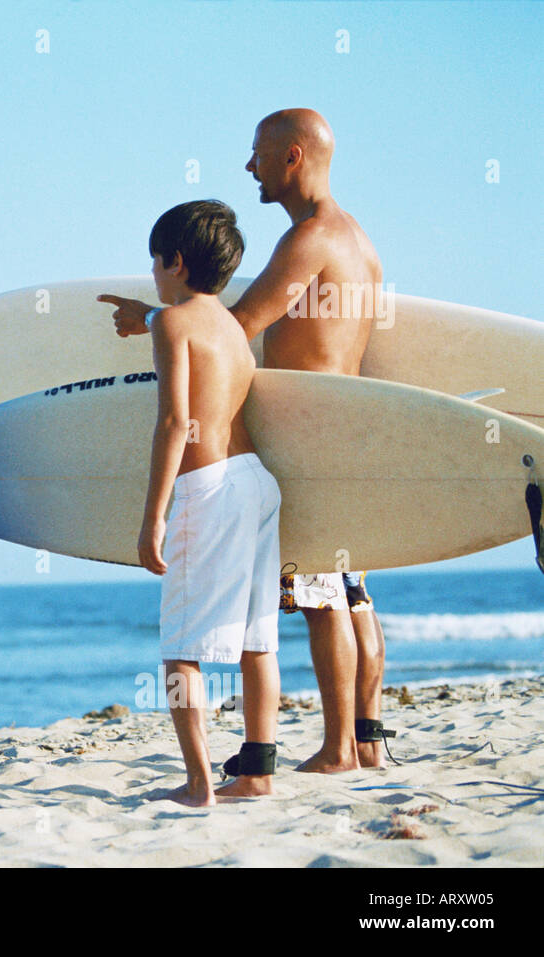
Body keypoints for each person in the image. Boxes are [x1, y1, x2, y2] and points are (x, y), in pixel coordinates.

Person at [105, 109, 392, 773]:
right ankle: (365, 737)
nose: (249, 167)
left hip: (309, 435)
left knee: (322, 600)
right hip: (346, 426)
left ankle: (339, 748)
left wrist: (155, 318)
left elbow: (232, 328)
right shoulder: (360, 242)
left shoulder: (311, 240)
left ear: (292, 157)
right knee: (349, 590)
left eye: (258, 154)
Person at [116, 200, 282, 806]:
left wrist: (153, 516)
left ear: (175, 262)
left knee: (182, 647)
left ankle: (198, 783)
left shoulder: (172, 325)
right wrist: (153, 314)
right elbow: (194, 332)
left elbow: (174, 423)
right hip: (257, 482)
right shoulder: (232, 329)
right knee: (256, 640)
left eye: (155, 263)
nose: (154, 275)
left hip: (208, 489)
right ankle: (258, 772)